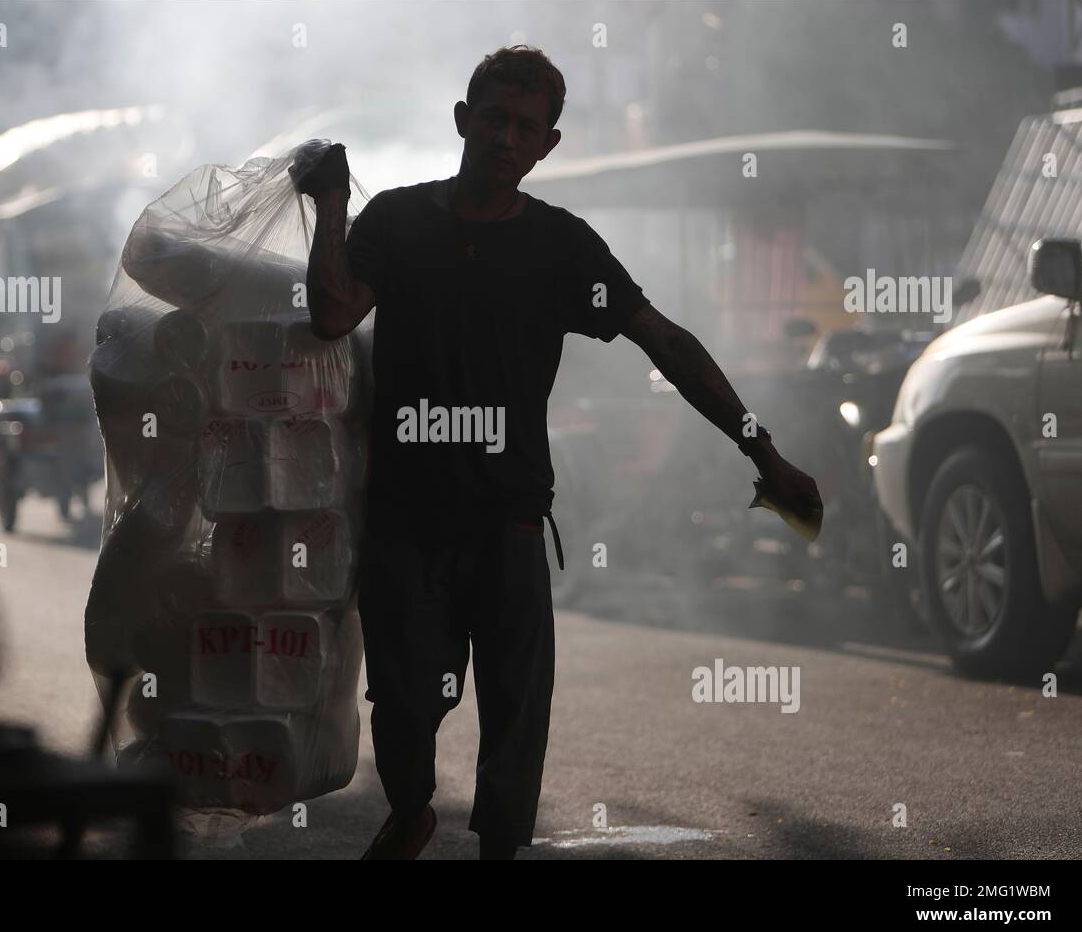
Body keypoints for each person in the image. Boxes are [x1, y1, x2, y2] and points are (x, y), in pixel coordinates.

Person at [293, 46, 820, 861]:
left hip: (508, 524)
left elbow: (666, 343)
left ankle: (498, 848)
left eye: (526, 128)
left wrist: (764, 450)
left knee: (515, 719)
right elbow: (331, 314)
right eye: (495, 119)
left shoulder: (563, 248)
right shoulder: (394, 222)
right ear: (464, 123)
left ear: (548, 146)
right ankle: (409, 812)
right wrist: (331, 198)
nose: (507, 138)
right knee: (401, 706)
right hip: (406, 522)